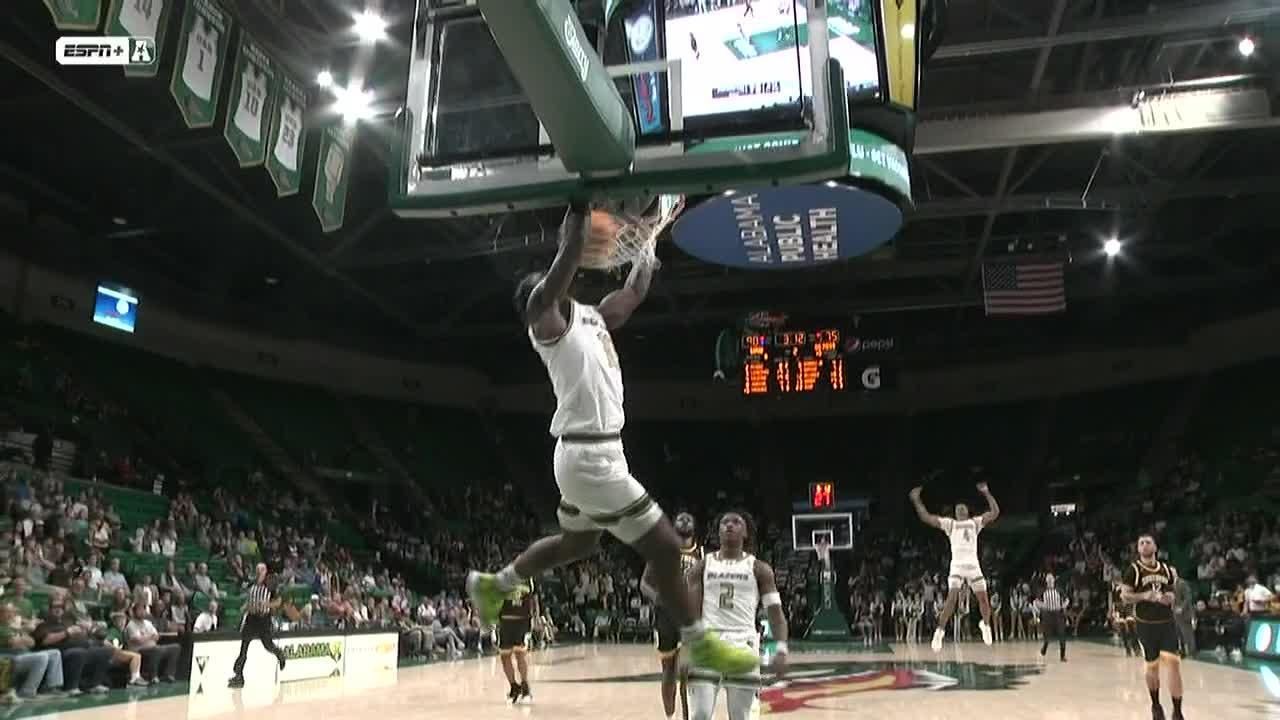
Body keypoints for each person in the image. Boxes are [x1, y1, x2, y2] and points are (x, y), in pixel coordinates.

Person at [467, 202, 757, 679]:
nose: (554, 286)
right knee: (667, 547)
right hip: (590, 457)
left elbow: (635, 290)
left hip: (592, 453)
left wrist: (647, 241)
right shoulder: (545, 322)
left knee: (575, 546)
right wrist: (578, 209)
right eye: (547, 284)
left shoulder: (592, 317)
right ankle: (700, 643)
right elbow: (565, 260)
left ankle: (496, 585)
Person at [686, 512, 788, 720]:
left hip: (744, 643)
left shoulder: (760, 569)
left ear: (746, 532)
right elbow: (691, 612)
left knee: (740, 716)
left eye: (736, 522)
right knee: (700, 714)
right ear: (718, 532)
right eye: (725, 522)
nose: (730, 525)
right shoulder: (701, 567)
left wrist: (781, 648)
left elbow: (775, 612)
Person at [909, 483, 1001, 651]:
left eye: (962, 508)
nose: (960, 510)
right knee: (951, 599)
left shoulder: (975, 523)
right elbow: (926, 517)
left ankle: (985, 625)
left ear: (967, 511)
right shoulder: (950, 524)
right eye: (957, 509)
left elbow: (995, 513)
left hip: (973, 566)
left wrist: (987, 493)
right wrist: (917, 501)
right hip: (957, 566)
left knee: (983, 599)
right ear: (955, 512)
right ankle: (939, 632)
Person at [642, 512, 702, 720]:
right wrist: (658, 597)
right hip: (666, 617)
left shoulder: (702, 554)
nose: (685, 519)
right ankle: (669, 717)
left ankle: (686, 718)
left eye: (688, 518)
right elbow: (644, 584)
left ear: (695, 527)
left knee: (687, 673)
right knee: (668, 671)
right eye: (680, 518)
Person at [1119, 535, 1186, 720]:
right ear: (1138, 549)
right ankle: (1156, 706)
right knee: (1152, 667)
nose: (1145, 544)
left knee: (1174, 664)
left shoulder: (1166, 569)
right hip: (1146, 624)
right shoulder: (1133, 570)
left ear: (1155, 546)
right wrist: (1145, 596)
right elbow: (1125, 596)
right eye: (1141, 542)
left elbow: (1172, 591)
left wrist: (1170, 597)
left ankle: (1178, 710)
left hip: (1166, 623)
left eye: (1148, 541)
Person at [32, 598, 114, 695]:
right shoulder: (44, 625)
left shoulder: (67, 623)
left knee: (105, 651)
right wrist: (67, 633)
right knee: (78, 653)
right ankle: (71, 687)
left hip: (80, 648)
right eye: (55, 607)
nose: (58, 609)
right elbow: (45, 641)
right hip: (59, 654)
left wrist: (86, 632)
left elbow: (84, 635)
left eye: (61, 607)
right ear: (49, 609)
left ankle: (93, 684)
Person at [228, 563, 286, 688]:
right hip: (251, 618)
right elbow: (250, 599)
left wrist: (267, 604)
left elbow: (279, 602)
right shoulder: (251, 583)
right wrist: (245, 607)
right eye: (257, 569)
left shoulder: (270, 584)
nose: (259, 571)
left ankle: (279, 654)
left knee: (268, 645)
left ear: (265, 571)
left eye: (262, 569)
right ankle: (239, 676)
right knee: (244, 647)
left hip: (263, 619)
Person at [498, 578, 538, 703]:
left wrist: (535, 619)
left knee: (520, 654)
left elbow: (534, 600)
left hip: (521, 620)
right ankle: (514, 687)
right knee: (505, 657)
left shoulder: (529, 579)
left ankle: (525, 687)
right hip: (505, 621)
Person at [125, 602, 179, 682]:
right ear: (134, 612)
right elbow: (138, 640)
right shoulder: (131, 625)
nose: (142, 612)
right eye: (139, 610)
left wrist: (147, 638)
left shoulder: (148, 623)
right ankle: (153, 676)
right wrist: (150, 637)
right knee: (156, 650)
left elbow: (156, 637)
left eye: (143, 609)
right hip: (138, 650)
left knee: (175, 647)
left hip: (153, 647)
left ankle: (168, 674)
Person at [1036, 574, 1069, 661]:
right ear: (1046, 581)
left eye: (1052, 579)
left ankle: (1062, 656)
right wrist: (1043, 606)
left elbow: (1067, 600)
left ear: (1054, 580)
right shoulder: (1042, 591)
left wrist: (1063, 606)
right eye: (1049, 580)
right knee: (1047, 635)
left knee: (1062, 634)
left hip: (1058, 614)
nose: (1050, 581)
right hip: (1048, 614)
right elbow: (1037, 601)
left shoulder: (1059, 590)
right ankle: (1044, 648)